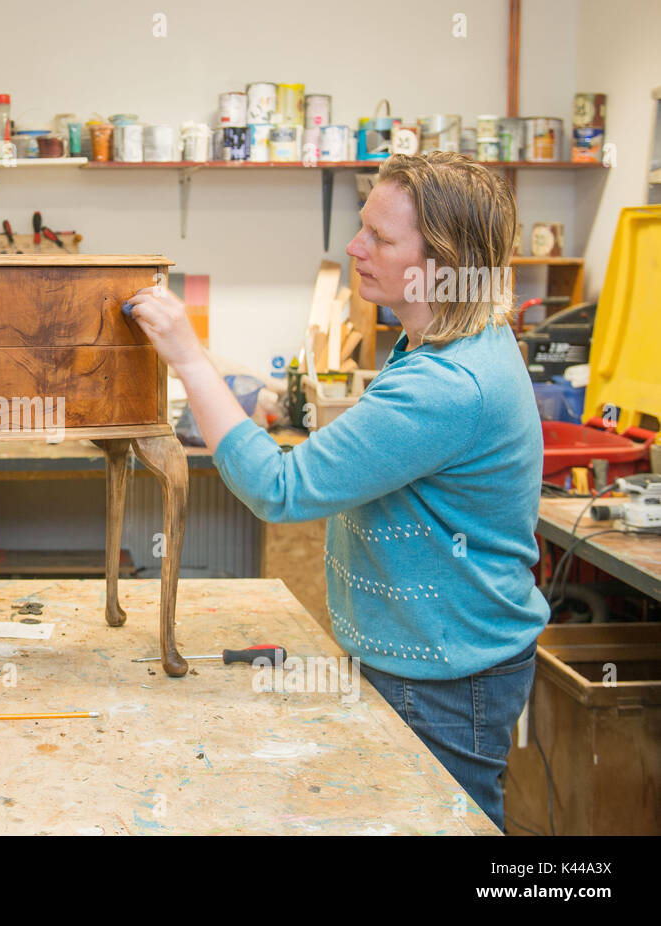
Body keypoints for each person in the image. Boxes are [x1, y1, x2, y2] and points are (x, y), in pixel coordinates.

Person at [125, 152, 548, 830]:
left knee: (443, 824)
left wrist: (186, 356)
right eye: (362, 227)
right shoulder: (450, 343)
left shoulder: (445, 385)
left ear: (440, 262)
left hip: (442, 675)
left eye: (380, 238)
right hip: (440, 657)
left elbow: (281, 489)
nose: (355, 247)